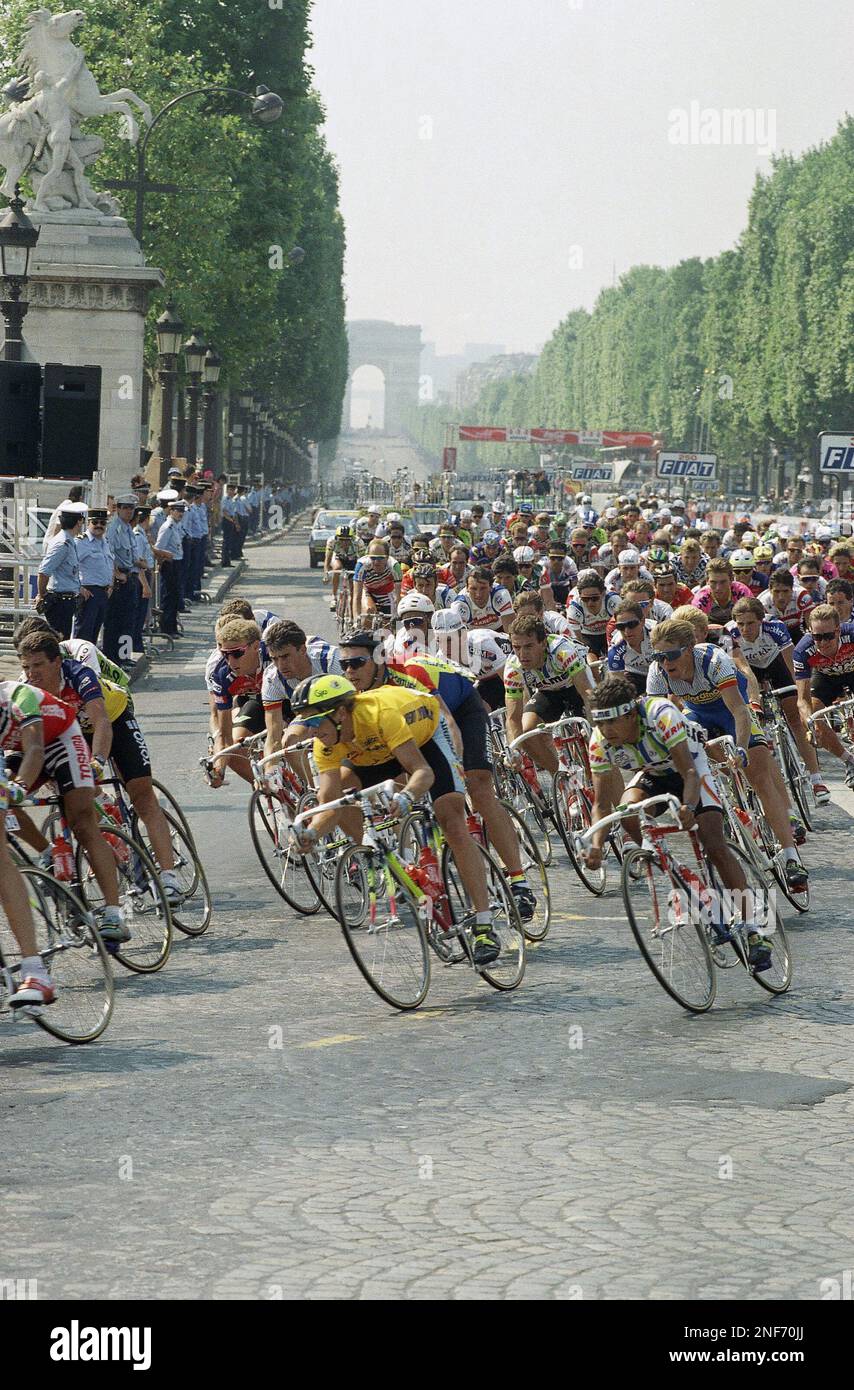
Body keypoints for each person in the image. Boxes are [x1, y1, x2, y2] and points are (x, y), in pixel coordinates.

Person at [290, 675, 502, 965]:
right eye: (305, 723)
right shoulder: (325, 742)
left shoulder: (380, 715)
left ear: (340, 713)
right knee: (344, 796)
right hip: (371, 753)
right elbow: (330, 805)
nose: (311, 731)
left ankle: (484, 924)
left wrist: (406, 797)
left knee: (450, 818)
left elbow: (423, 772)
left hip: (424, 736)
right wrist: (311, 834)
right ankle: (375, 853)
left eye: (314, 722)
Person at [584, 674, 774, 969]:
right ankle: (668, 865)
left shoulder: (662, 715)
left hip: (691, 768)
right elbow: (599, 803)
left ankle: (754, 929)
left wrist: (687, 806)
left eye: (612, 722)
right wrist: (596, 844)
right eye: (600, 724)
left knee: (713, 844)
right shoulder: (599, 742)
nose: (605, 730)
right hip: (655, 773)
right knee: (626, 810)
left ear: (632, 714)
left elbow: (689, 774)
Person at [17, 631, 182, 903]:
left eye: (37, 665)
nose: (31, 673)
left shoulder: (78, 674)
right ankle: (110, 828)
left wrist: (99, 761)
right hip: (73, 732)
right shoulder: (27, 691)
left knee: (141, 794)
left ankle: (168, 878)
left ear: (57, 662)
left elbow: (102, 721)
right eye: (26, 667)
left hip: (113, 721)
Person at [645, 618, 808, 893]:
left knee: (758, 774)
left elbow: (739, 712)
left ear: (688, 649)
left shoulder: (712, 659)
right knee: (702, 758)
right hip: (698, 714)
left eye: (670, 655)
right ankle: (732, 807)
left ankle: (792, 858)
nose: (664, 663)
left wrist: (742, 749)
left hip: (731, 709)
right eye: (658, 656)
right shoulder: (657, 674)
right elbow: (655, 720)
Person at [721, 596, 827, 803]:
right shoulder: (729, 633)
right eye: (741, 623)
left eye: (751, 623)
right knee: (751, 713)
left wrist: (800, 695)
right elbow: (742, 670)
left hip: (776, 664)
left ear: (761, 620)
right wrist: (754, 699)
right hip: (750, 670)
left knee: (795, 719)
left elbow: (793, 665)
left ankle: (817, 780)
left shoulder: (775, 627)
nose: (745, 629)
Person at [503, 614, 603, 780]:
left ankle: (595, 775)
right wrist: (514, 750)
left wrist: (594, 729)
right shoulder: (513, 667)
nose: (522, 654)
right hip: (549, 692)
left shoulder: (561, 650)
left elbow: (587, 694)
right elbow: (513, 717)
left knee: (592, 738)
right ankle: (562, 779)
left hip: (576, 688)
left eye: (528, 646)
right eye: (517, 647)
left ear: (543, 643)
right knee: (526, 733)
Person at [794, 603, 854, 789]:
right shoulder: (802, 651)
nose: (822, 642)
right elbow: (802, 700)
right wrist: (810, 724)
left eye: (828, 636)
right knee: (814, 716)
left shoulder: (851, 634)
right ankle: (849, 761)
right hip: (826, 678)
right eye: (817, 637)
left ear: (838, 631)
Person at [261, 621, 342, 759]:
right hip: (310, 712)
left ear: (303, 650)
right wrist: (270, 771)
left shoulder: (331, 660)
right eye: (274, 659)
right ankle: (312, 781)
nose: (280, 666)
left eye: (285, 656)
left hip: (340, 710)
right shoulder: (272, 678)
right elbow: (273, 737)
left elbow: (353, 706)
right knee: (290, 743)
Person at [207, 618, 270, 787]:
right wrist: (218, 768)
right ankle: (267, 788)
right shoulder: (221, 673)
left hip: (287, 700)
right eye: (225, 654)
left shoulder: (272, 655)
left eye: (237, 653)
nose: (231, 662)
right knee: (233, 749)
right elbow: (224, 734)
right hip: (257, 702)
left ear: (256, 646)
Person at [36, 502, 85, 638]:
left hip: (67, 601)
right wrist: (42, 595)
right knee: (59, 641)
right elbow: (44, 572)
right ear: (79, 522)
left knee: (63, 641)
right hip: (59, 602)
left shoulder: (69, 541)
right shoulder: (62, 544)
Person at [103, 493, 139, 665]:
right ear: (118, 509)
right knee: (114, 621)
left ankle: (124, 656)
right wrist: (116, 574)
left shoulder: (128, 529)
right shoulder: (114, 528)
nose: (128, 511)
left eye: (131, 508)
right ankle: (113, 659)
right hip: (119, 580)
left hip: (130, 577)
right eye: (125, 507)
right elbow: (109, 554)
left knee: (128, 620)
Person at [72, 507, 114, 644]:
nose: (99, 526)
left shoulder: (105, 542)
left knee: (94, 633)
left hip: (103, 592)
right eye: (95, 522)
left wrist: (110, 586)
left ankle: (89, 663)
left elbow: (110, 565)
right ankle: (78, 664)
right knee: (83, 633)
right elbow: (71, 567)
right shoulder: (81, 542)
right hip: (88, 592)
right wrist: (79, 588)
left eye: (102, 523)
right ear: (88, 523)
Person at [565, 570, 620, 658]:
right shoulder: (574, 607)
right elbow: (578, 642)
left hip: (611, 631)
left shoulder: (613, 600)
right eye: (585, 599)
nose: (590, 603)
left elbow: (622, 628)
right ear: (579, 596)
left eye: (595, 598)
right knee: (589, 657)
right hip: (587, 635)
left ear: (603, 594)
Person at [606, 599, 656, 693]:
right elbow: (618, 684)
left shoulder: (657, 633)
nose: (627, 631)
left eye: (632, 624)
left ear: (642, 621)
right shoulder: (616, 647)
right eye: (621, 627)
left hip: (660, 673)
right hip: (635, 676)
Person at [152, 497, 185, 636]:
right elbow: (159, 548)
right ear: (171, 511)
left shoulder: (176, 526)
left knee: (175, 596)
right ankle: (166, 627)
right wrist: (162, 564)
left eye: (182, 511)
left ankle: (172, 627)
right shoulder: (167, 527)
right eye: (178, 511)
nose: (181, 513)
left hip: (177, 563)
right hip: (169, 564)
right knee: (168, 597)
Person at [452, 566, 514, 633]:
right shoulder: (460, 604)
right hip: (473, 634)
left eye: (483, 588)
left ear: (491, 587)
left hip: (500, 630)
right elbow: (458, 639)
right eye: (473, 589)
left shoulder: (501, 595)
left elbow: (511, 631)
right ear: (467, 588)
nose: (478, 594)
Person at [353, 540, 401, 620]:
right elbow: (357, 596)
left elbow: (398, 596)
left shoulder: (394, 566)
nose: (376, 562)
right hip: (368, 591)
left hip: (386, 593)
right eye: (373, 558)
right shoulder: (362, 565)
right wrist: (356, 620)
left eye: (380, 558)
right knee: (369, 611)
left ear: (387, 557)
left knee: (391, 622)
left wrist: (398, 616)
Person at [323, 525, 360, 614]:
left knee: (353, 587)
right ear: (337, 538)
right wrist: (326, 574)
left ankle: (352, 614)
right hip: (338, 558)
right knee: (337, 568)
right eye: (341, 539)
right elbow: (327, 559)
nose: (344, 542)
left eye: (347, 540)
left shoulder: (358, 542)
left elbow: (362, 560)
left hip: (353, 559)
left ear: (352, 538)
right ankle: (334, 597)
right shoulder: (332, 541)